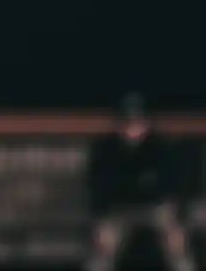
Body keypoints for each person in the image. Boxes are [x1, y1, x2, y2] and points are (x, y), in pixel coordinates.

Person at [84, 93, 197, 271]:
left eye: (138, 122)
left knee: (175, 239)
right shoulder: (105, 148)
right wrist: (100, 219)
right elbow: (96, 186)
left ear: (146, 123)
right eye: (127, 122)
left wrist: (177, 216)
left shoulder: (161, 146)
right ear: (119, 124)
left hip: (155, 208)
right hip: (118, 209)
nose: (133, 128)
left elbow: (175, 185)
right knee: (103, 247)